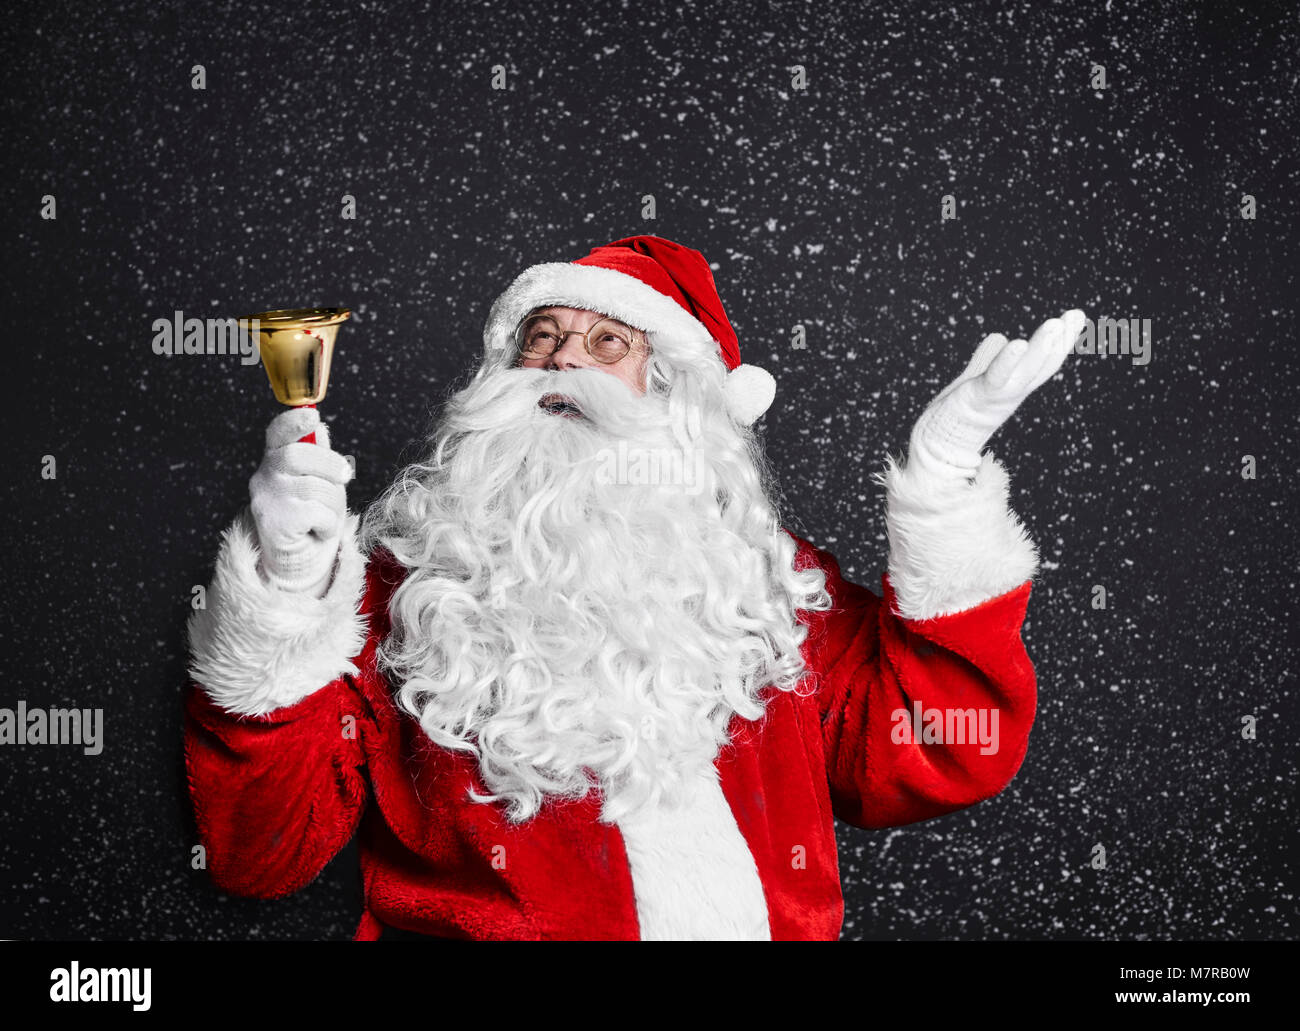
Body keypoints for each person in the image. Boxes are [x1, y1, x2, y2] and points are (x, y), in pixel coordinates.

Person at [184, 234, 1084, 940]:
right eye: (541, 340)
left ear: (678, 399)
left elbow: (938, 750)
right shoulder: (397, 593)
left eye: (606, 341)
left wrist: (942, 483)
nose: (562, 363)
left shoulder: (767, 583)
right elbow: (262, 856)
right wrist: (287, 588)